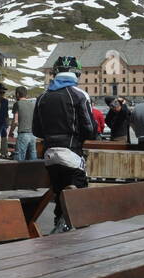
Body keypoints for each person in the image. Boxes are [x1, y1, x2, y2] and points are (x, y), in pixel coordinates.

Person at [32, 63, 96, 232]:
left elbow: (36, 130)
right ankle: (73, 230)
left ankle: (60, 228)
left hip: (49, 154)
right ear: (75, 75)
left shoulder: (43, 97)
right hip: (71, 152)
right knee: (78, 195)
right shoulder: (79, 95)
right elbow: (90, 129)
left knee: (60, 193)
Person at [10, 86, 38, 161]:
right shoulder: (32, 104)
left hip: (23, 134)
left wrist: (10, 132)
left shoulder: (17, 104)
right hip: (33, 135)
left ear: (18, 94)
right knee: (32, 159)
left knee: (19, 159)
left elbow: (15, 121)